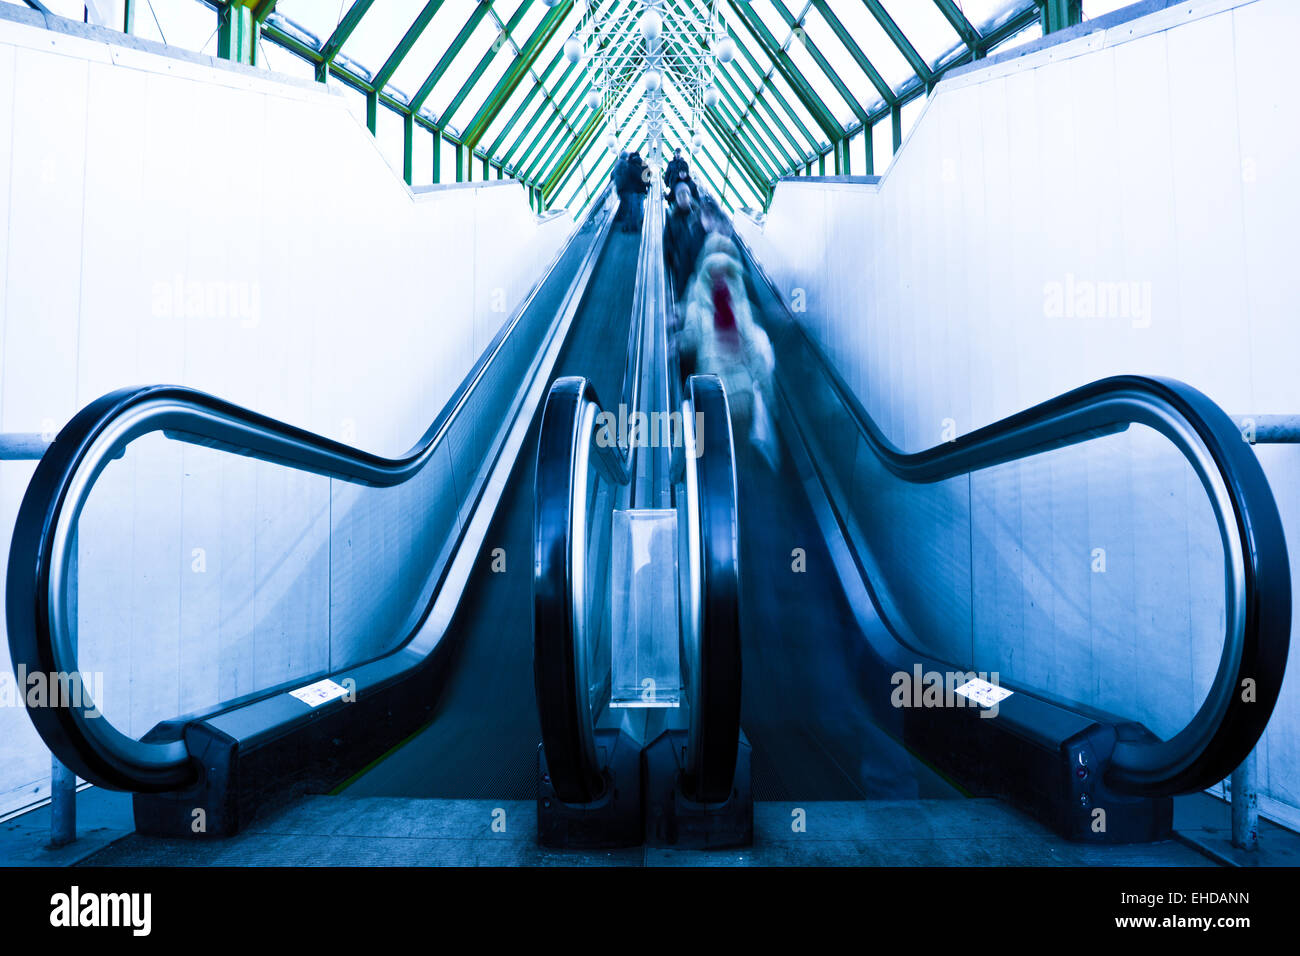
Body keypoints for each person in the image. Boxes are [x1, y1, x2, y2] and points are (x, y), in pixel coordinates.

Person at [677, 196, 779, 469]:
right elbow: (752, 348)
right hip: (743, 394)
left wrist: (673, 340)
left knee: (716, 455)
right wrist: (767, 394)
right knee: (740, 457)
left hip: (713, 391)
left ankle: (714, 495)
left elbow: (689, 341)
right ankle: (740, 490)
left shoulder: (698, 297)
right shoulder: (740, 298)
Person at [663, 181, 704, 303]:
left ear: (690, 196)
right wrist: (673, 257)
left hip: (698, 261)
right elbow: (667, 241)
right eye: (679, 196)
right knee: (683, 292)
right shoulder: (672, 218)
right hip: (680, 264)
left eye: (685, 194)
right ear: (676, 199)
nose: (682, 198)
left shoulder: (699, 215)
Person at [619, 151, 649, 232]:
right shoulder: (642, 162)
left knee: (634, 208)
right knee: (641, 206)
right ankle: (643, 221)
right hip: (642, 189)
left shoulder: (630, 165)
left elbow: (631, 177)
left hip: (633, 190)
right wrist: (647, 183)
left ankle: (634, 226)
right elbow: (648, 172)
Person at [611, 151, 629, 225]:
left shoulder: (617, 162)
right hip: (623, 186)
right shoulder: (623, 163)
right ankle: (621, 218)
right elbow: (626, 175)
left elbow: (612, 174)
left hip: (618, 186)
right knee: (625, 203)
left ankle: (619, 217)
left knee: (622, 201)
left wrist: (613, 181)